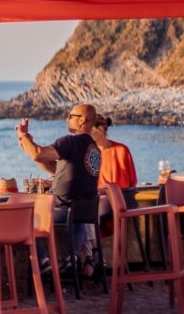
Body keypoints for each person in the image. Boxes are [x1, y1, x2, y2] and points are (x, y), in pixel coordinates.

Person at [16, 103, 102, 268]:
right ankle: (73, 257)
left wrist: (23, 135)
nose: (67, 119)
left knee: (26, 217)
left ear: (82, 120)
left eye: (71, 116)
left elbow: (38, 154)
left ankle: (42, 261)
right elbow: (55, 167)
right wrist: (27, 143)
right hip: (80, 211)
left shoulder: (70, 141)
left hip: (63, 209)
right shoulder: (93, 148)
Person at [87, 115, 137, 190]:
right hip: (98, 199)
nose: (84, 135)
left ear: (100, 130)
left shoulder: (122, 150)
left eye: (87, 131)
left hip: (121, 198)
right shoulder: (85, 152)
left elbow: (132, 183)